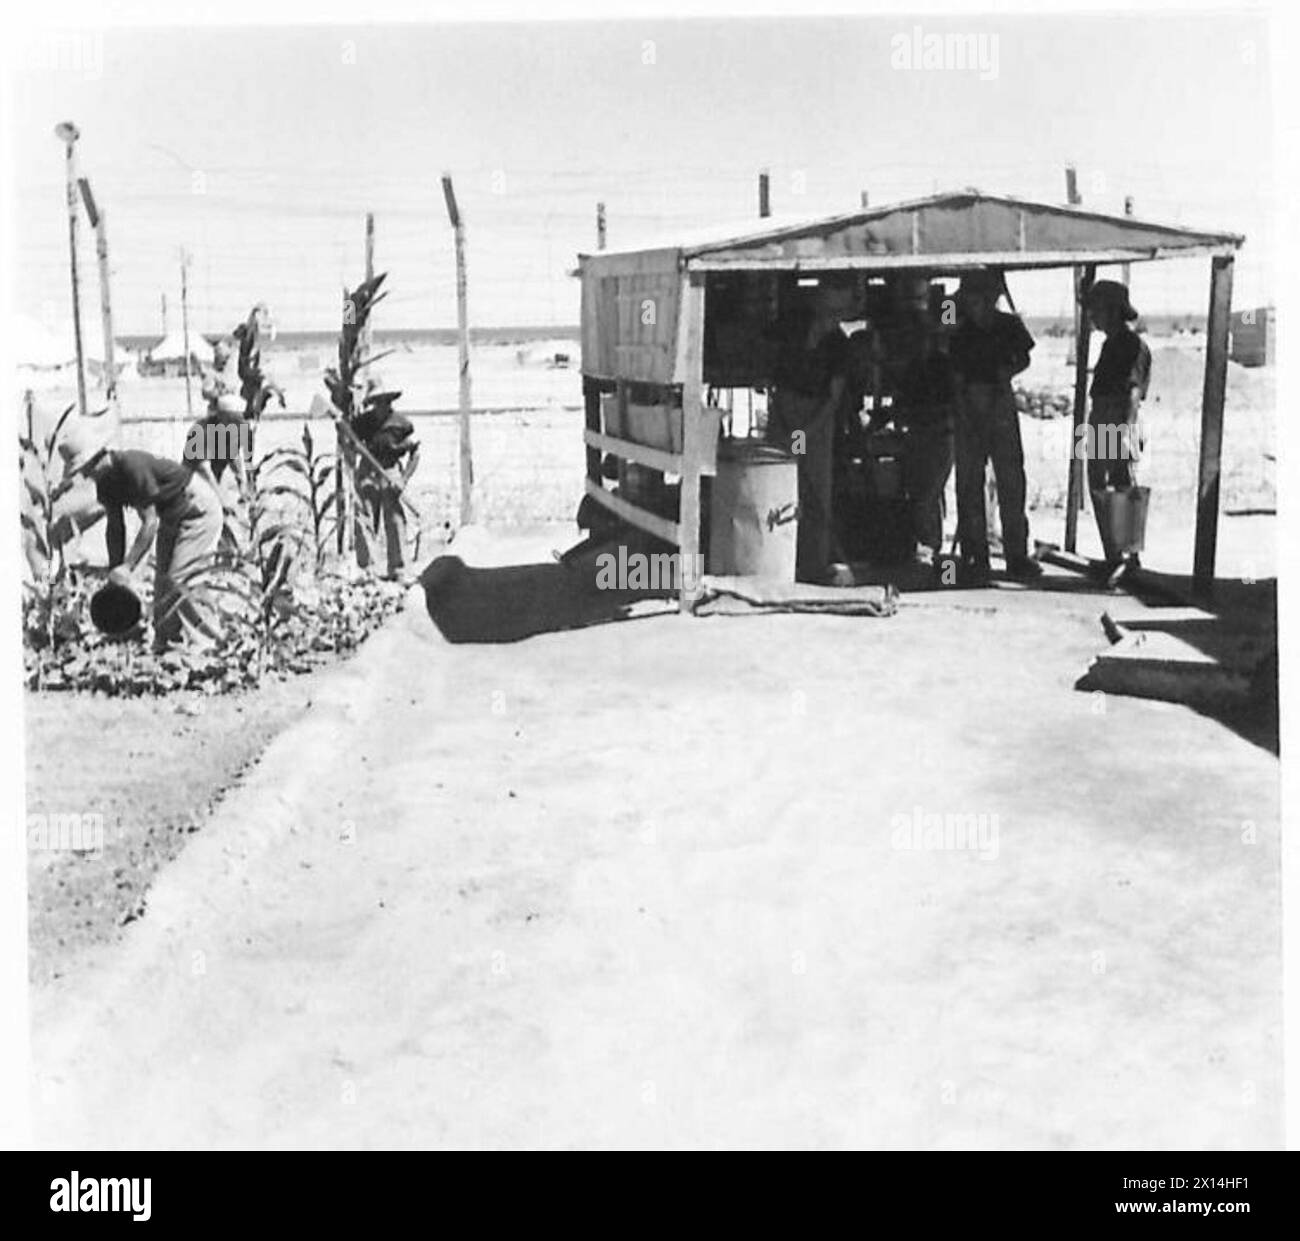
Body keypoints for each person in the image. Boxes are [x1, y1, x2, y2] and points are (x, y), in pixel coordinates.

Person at [59, 425, 224, 651]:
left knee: (182, 577)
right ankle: (166, 643)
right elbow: (115, 526)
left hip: (197, 509)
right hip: (171, 514)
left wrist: (128, 566)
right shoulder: (105, 483)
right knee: (163, 582)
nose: (87, 475)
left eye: (88, 468)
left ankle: (209, 643)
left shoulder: (131, 466)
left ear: (101, 455)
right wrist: (115, 570)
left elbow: (150, 522)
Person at [948, 269, 1040, 584]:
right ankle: (976, 555)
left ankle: (1017, 555)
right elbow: (956, 380)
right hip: (970, 405)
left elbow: (1026, 356)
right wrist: (967, 414)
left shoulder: (1009, 325)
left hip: (1001, 402)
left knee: (1011, 481)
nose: (975, 305)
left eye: (979, 298)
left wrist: (1008, 370)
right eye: (970, 299)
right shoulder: (960, 334)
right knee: (970, 483)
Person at [766, 279, 857, 582]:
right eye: (830, 310)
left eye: (839, 312)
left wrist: (804, 433)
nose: (833, 318)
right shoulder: (794, 328)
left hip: (813, 421)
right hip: (784, 412)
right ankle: (776, 560)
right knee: (777, 484)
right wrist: (782, 415)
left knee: (813, 488)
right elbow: (774, 372)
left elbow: (833, 399)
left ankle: (813, 564)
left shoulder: (840, 346)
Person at [870, 306, 955, 568]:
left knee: (927, 496)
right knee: (918, 494)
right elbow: (903, 403)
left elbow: (945, 404)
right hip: (918, 436)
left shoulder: (942, 366)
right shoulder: (913, 368)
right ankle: (923, 547)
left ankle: (929, 549)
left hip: (939, 436)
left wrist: (906, 413)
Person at [1085, 279, 1151, 582]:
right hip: (1101, 417)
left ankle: (1127, 557)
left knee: (1122, 486)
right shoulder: (1110, 343)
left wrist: (1126, 428)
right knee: (1099, 485)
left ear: (1112, 310)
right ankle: (1114, 555)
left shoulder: (1131, 344)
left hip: (1118, 418)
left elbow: (1134, 390)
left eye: (1096, 309)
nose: (1092, 316)